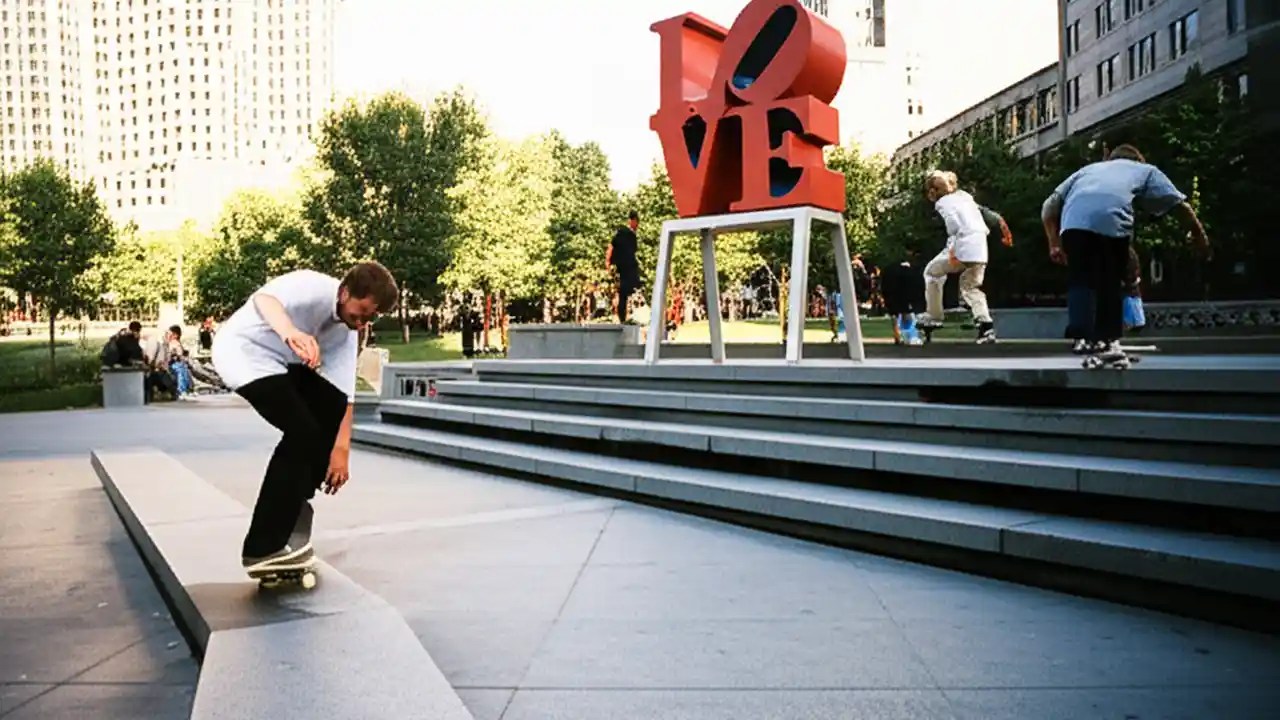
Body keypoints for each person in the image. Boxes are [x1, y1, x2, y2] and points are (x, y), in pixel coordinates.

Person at [212, 262, 399, 578]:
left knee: (329, 403)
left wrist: (341, 452)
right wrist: (290, 333)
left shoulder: (349, 333)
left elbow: (344, 395)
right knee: (303, 432)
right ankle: (261, 548)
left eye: (371, 317)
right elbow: (265, 300)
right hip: (241, 354)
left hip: (281, 365)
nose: (362, 322)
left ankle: (295, 502)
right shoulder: (311, 285)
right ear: (344, 293)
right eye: (360, 311)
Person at [1042, 144, 1208, 363]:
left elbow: (1049, 205)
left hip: (1073, 224)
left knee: (1080, 279)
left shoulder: (1088, 170)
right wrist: (1199, 234)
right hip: (1111, 220)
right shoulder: (1145, 170)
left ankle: (1081, 337)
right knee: (1110, 279)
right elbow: (1179, 204)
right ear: (1138, 160)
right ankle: (1108, 339)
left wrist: (1054, 243)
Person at [919, 170, 1000, 344]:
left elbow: (955, 225)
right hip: (980, 246)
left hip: (963, 245)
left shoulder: (943, 203)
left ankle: (934, 315)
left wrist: (953, 250)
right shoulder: (965, 196)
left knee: (931, 272)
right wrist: (1000, 222)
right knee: (971, 287)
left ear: (934, 191)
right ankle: (986, 326)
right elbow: (985, 213)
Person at [881, 250, 926, 345]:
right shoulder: (911, 270)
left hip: (893, 293)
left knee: (895, 314)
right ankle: (909, 336)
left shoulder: (889, 269)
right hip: (904, 294)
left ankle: (898, 335)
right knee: (906, 313)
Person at [606, 211, 641, 323]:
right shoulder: (625, 234)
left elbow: (611, 247)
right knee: (625, 293)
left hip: (624, 267)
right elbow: (611, 247)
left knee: (624, 294)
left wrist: (608, 262)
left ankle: (624, 316)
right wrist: (608, 262)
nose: (637, 226)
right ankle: (622, 317)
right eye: (636, 223)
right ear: (633, 221)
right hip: (625, 268)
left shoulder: (625, 234)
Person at [166, 325, 195, 398]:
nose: (168, 335)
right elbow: (172, 354)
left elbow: (179, 353)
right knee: (181, 370)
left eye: (170, 333)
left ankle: (185, 389)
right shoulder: (172, 343)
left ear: (175, 335)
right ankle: (182, 390)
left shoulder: (175, 343)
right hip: (173, 363)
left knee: (184, 369)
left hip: (178, 363)